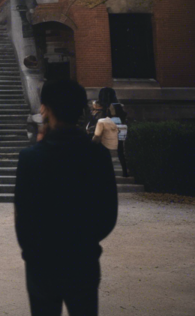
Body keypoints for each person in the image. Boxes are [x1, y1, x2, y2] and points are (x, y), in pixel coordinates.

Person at [14, 79, 118, 316]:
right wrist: (83, 243)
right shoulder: (98, 155)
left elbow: (23, 216)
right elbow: (108, 214)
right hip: (83, 259)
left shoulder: (30, 157)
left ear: (45, 109)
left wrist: (33, 252)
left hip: (42, 262)